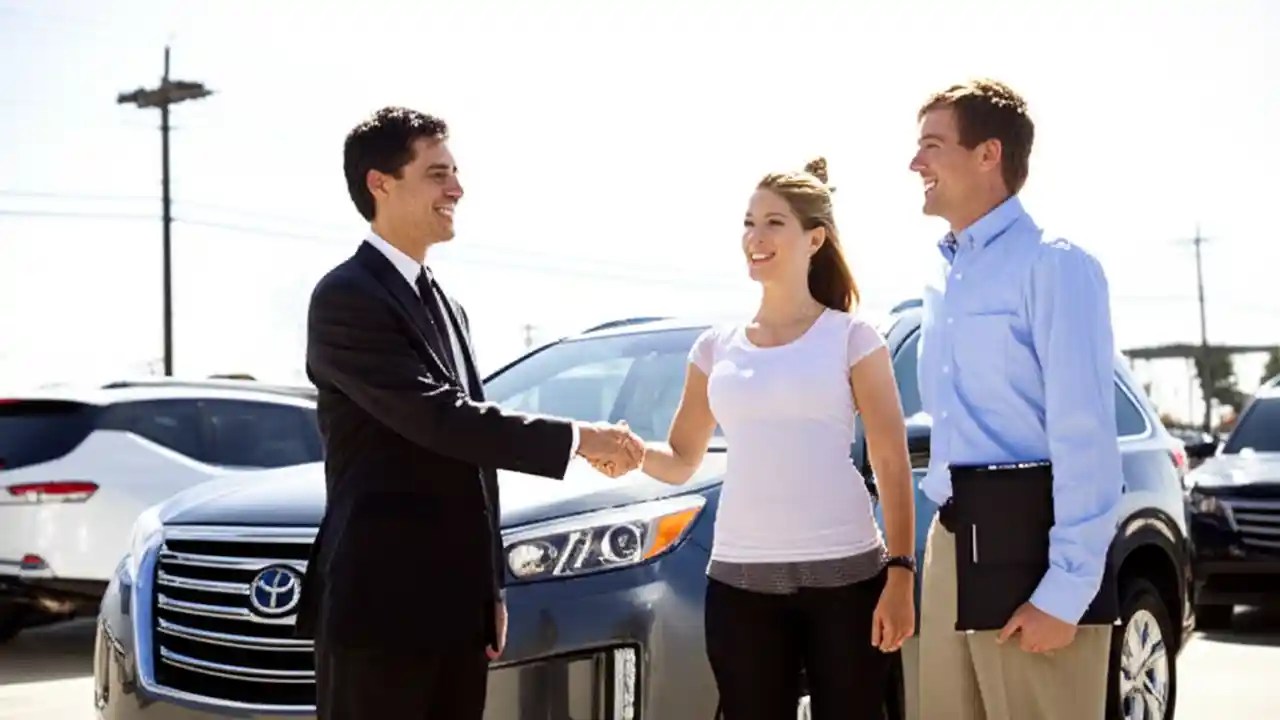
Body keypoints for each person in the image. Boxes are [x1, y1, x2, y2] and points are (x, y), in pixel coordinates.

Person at [295, 106, 644, 720]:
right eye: (437, 174)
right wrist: (583, 437)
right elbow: (442, 420)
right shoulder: (346, 297)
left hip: (455, 611)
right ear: (380, 183)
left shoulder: (449, 306)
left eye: (454, 173)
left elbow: (473, 460)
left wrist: (491, 590)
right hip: (379, 608)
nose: (456, 189)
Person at [625, 158, 917, 719]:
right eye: (748, 223)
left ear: (815, 238)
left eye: (773, 223)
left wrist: (901, 574)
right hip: (739, 589)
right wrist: (631, 452)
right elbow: (682, 459)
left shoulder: (853, 338)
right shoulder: (715, 348)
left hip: (849, 582)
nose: (755, 238)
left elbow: (890, 459)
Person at [909, 79, 1124, 719]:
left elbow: (1085, 437)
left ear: (988, 154)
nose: (915, 163)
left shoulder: (1054, 266)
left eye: (931, 145)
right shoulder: (942, 278)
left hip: (1033, 550)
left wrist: (1067, 590)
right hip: (951, 543)